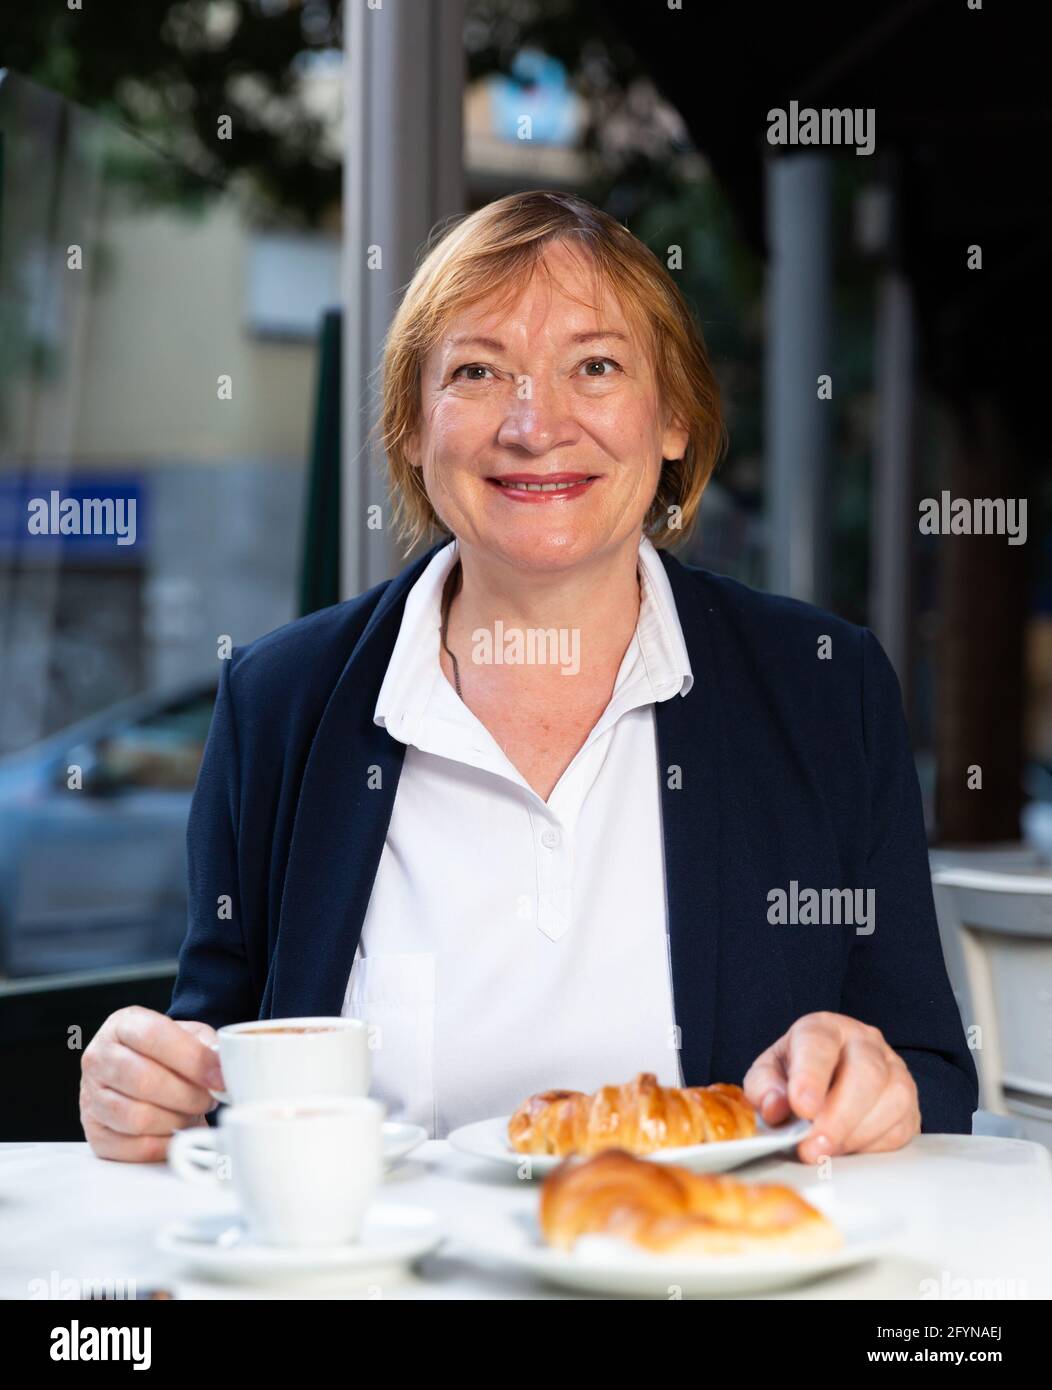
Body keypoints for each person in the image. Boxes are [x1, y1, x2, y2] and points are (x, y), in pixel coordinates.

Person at [80, 190, 977, 1163]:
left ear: (673, 416)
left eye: (593, 366)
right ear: (413, 431)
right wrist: (148, 1088)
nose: (532, 423)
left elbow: (926, 1073)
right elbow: (212, 1070)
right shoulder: (278, 703)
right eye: (475, 371)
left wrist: (875, 1085)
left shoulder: (823, 691)